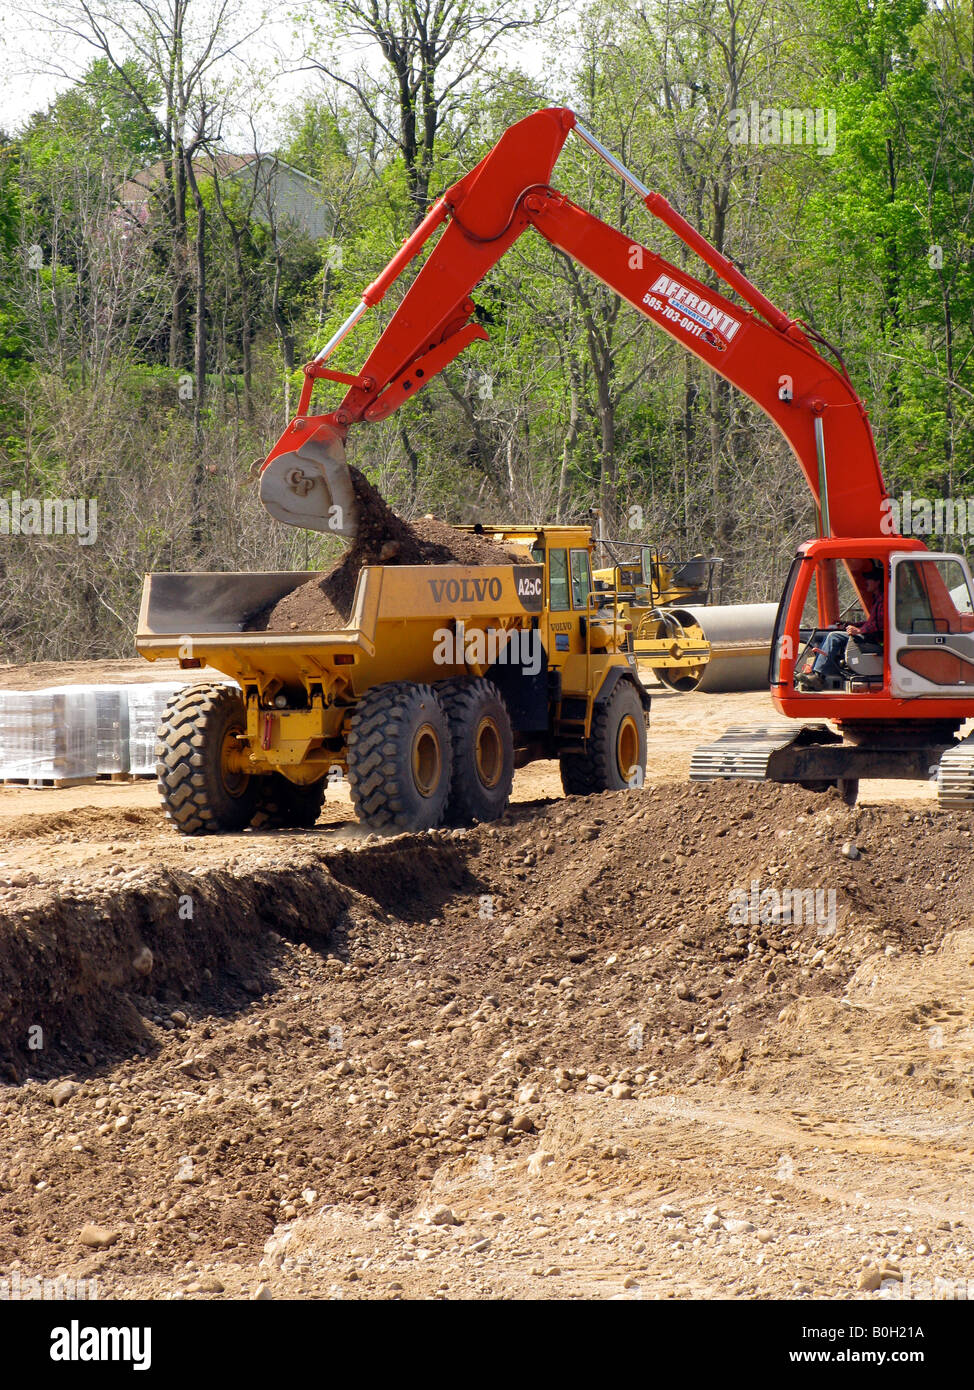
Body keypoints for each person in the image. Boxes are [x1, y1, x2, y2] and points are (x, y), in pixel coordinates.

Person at [799, 564, 884, 691]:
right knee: (833, 633)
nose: (866, 582)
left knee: (834, 636)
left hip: (875, 640)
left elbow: (882, 625)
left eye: (869, 579)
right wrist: (851, 624)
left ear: (877, 582)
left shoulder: (884, 601)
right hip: (869, 635)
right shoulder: (878, 599)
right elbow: (871, 623)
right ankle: (817, 672)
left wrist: (860, 630)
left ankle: (818, 677)